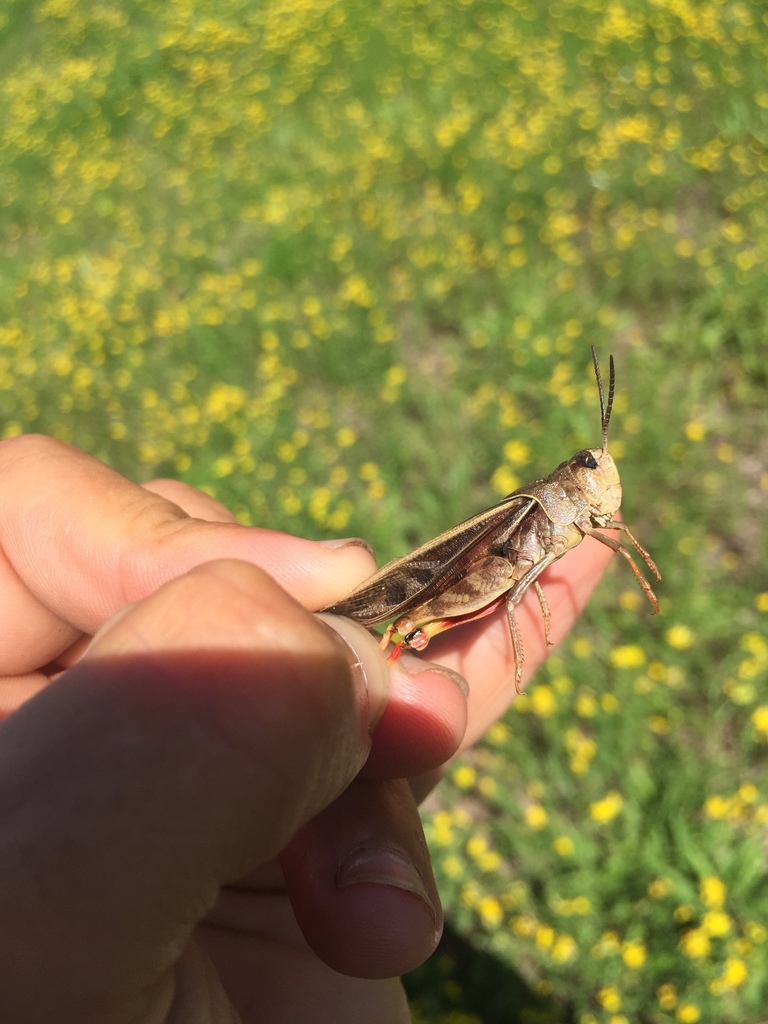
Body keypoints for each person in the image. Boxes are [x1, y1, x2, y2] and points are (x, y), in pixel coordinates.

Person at [0, 434, 612, 1024]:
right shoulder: (539, 508)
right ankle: (387, 640)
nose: (601, 472)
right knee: (409, 622)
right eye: (590, 464)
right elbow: (505, 582)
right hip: (461, 577)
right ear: (568, 478)